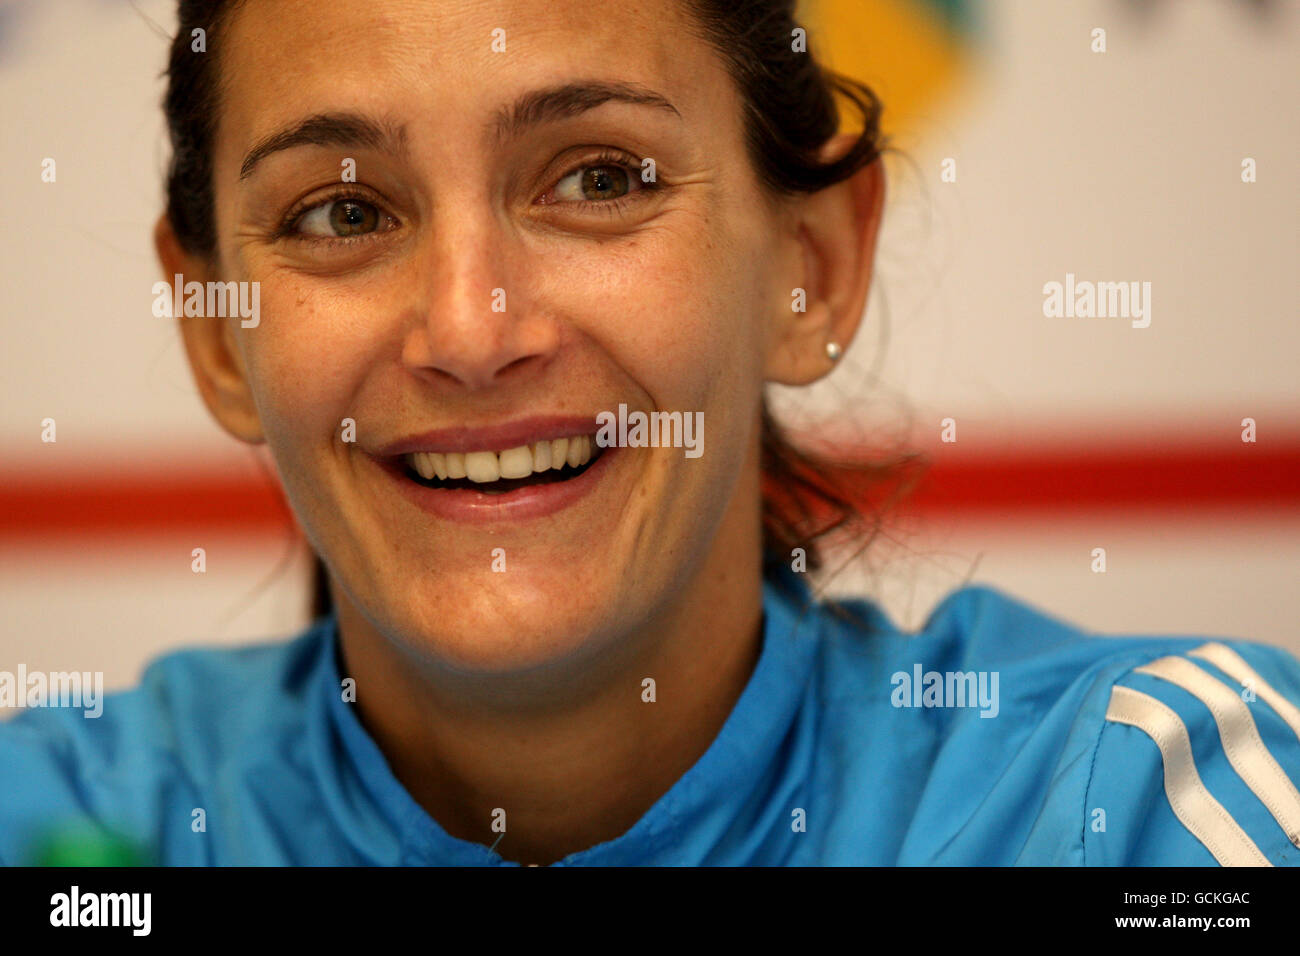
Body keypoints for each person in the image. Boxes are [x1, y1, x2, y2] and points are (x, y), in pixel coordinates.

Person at [1, 0, 1297, 867]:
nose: (469, 328)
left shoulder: (1133, 804)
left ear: (813, 270)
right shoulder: (61, 827)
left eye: (600, 179)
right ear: (217, 331)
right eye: (342, 213)